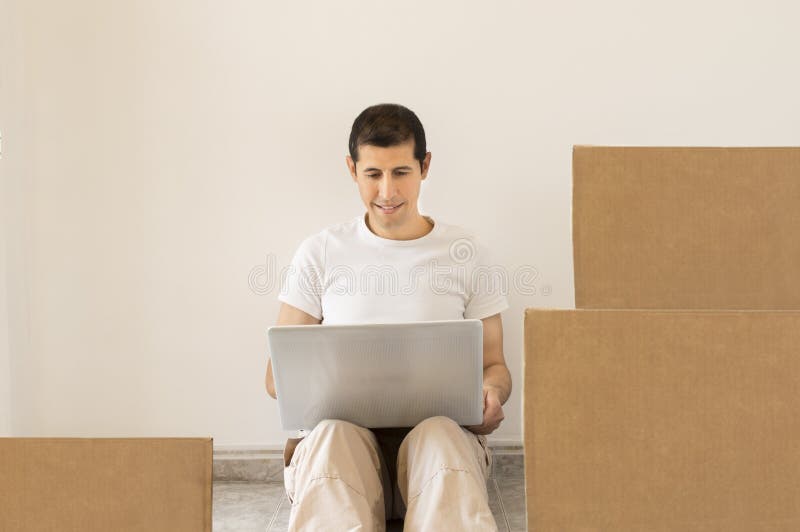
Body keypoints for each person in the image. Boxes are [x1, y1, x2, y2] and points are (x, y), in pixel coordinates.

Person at [265, 103, 511, 531]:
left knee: (439, 434)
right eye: (372, 175)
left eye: (400, 172)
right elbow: (277, 377)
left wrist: (490, 392)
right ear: (352, 169)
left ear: (425, 166)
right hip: (345, 449)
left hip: (439, 447)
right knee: (333, 438)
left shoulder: (468, 253)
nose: (387, 192)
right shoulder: (320, 252)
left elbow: (495, 366)